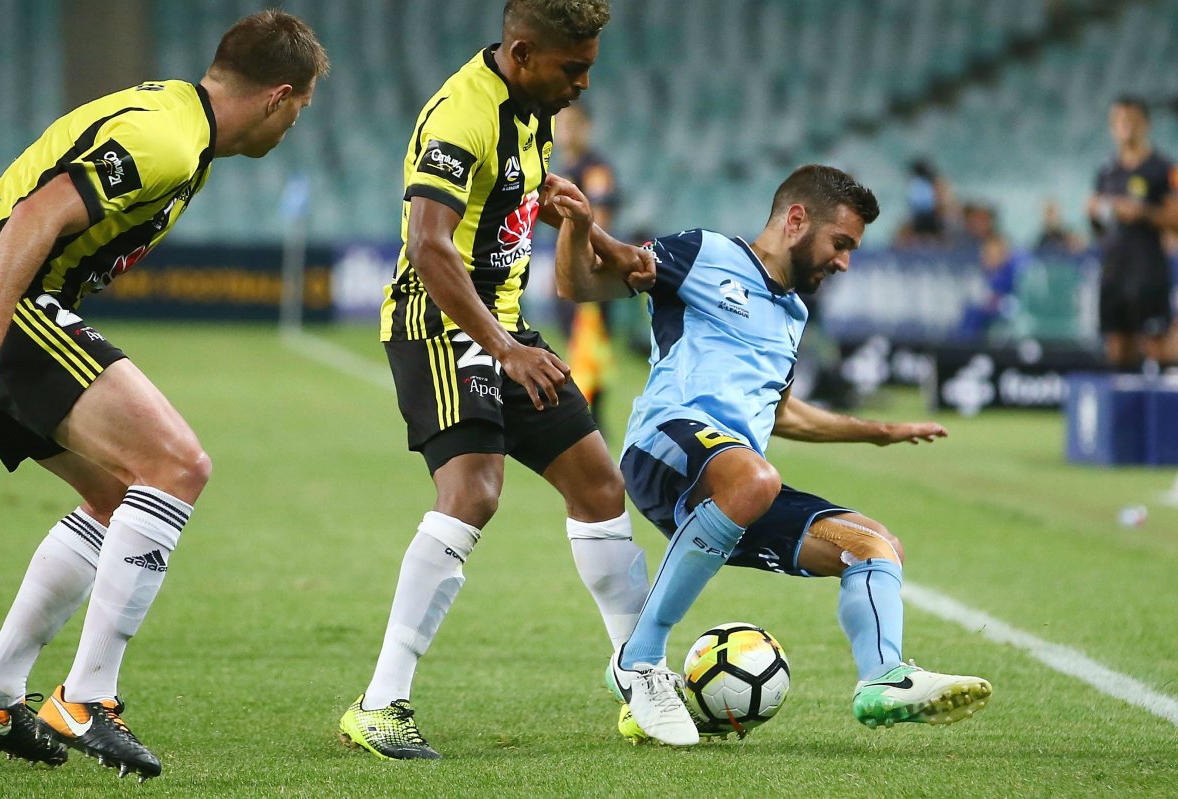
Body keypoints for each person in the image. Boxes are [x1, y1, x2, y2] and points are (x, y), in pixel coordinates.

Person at [0, 11, 328, 779]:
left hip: (6, 292)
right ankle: (86, 696)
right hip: (0, 291)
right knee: (177, 464)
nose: (294, 125)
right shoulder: (165, 140)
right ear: (277, 96)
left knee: (114, 495)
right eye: (300, 108)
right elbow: (35, 215)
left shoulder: (177, 119)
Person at [553, 164, 992, 746]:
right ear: (796, 220)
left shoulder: (793, 314)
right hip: (665, 445)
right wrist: (580, 227)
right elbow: (582, 284)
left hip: (734, 484)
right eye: (841, 243)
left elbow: (783, 414)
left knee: (875, 547)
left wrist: (879, 431)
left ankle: (883, 678)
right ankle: (639, 658)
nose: (843, 262)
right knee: (755, 480)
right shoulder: (705, 252)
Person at [336, 0, 655, 761]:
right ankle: (380, 704)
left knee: (599, 487)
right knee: (473, 492)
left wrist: (598, 237)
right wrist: (504, 349)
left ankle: (639, 677)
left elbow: (519, 193)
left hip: (501, 328)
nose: (583, 83)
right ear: (522, 53)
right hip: (439, 326)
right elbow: (429, 245)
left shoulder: (533, 106)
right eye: (573, 67)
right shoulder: (462, 115)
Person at [1087, 95, 1178, 373]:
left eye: (1131, 121)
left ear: (1145, 125)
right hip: (1115, 269)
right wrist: (1094, 213)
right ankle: (1121, 401)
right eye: (1119, 121)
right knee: (1117, 346)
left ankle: (1160, 400)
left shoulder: (1164, 169)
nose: (1125, 127)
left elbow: (1175, 219)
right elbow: (1098, 228)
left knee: (1156, 346)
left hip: (1149, 270)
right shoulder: (1106, 170)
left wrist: (1141, 212)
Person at [553, 102, 621, 426]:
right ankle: (590, 422)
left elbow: (600, 218)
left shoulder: (595, 170)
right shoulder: (563, 168)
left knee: (589, 347)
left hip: (587, 276)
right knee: (581, 345)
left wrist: (588, 267)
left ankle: (591, 422)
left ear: (586, 128)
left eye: (572, 124)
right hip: (569, 270)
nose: (565, 132)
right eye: (560, 124)